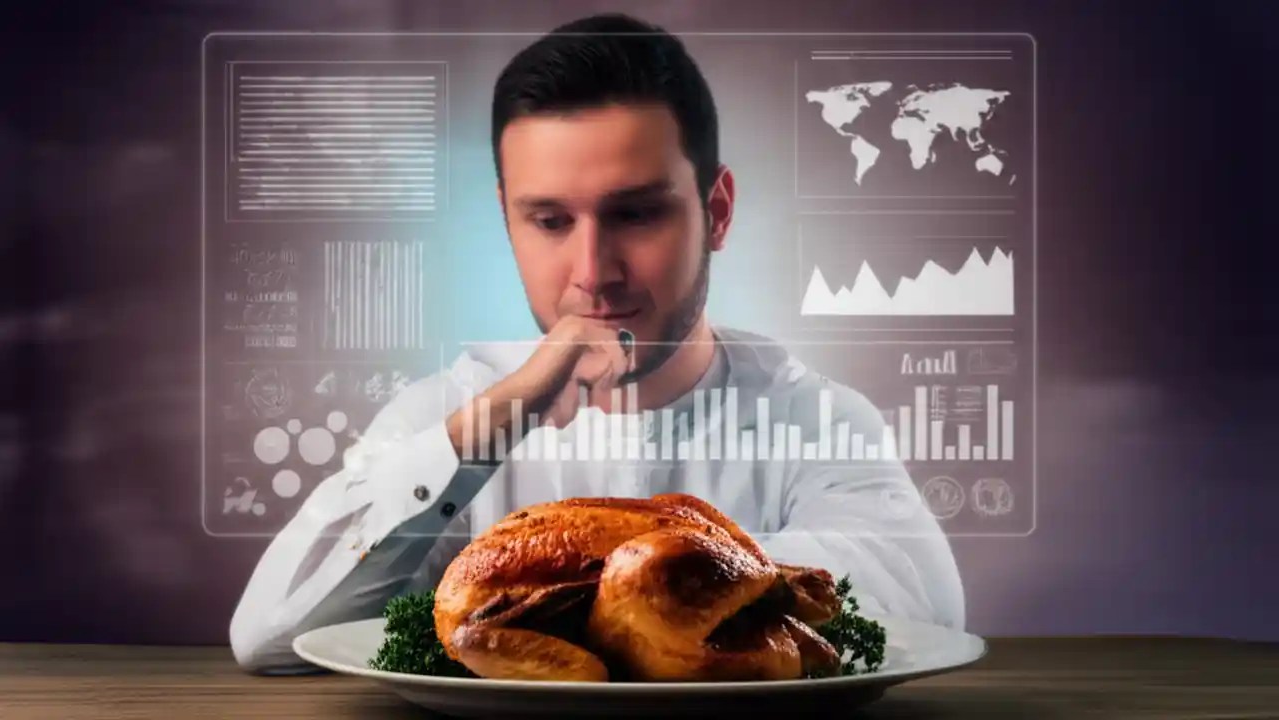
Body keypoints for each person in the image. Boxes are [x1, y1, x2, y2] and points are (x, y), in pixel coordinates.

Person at [230, 13, 964, 673]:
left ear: (717, 211)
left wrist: (566, 579)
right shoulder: (444, 414)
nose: (592, 275)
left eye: (637, 214)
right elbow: (267, 636)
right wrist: (500, 416)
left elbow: (927, 612)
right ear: (506, 219)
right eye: (549, 221)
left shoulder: (814, 417)